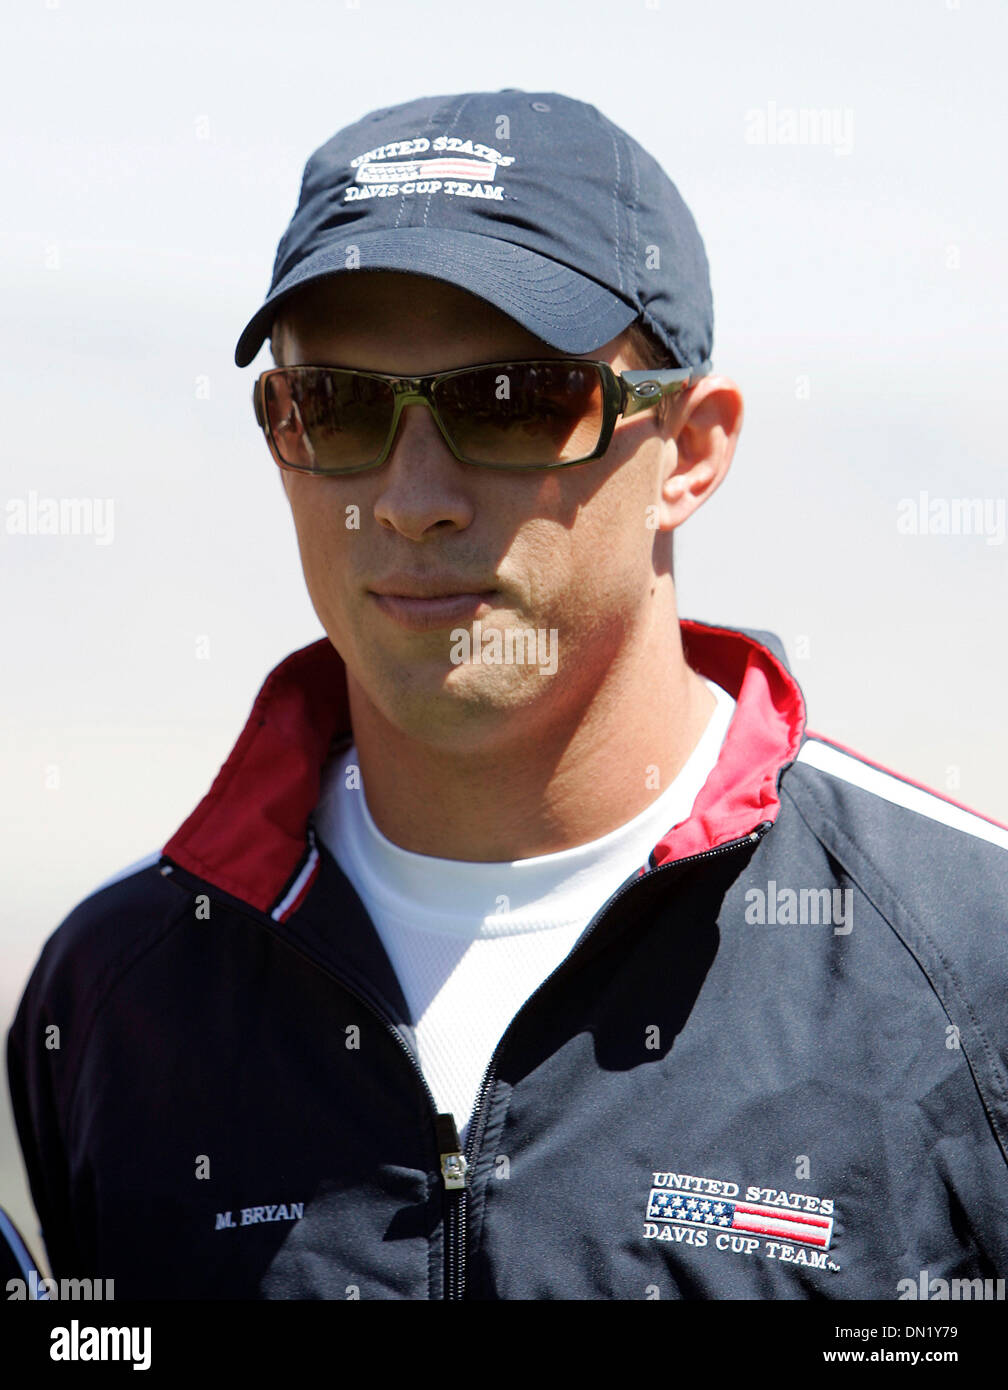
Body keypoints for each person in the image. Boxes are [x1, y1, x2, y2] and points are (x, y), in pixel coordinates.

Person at [7, 89, 1008, 1302]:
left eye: (517, 401)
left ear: (690, 450)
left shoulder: (969, 955)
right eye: (339, 406)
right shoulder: (121, 992)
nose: (414, 494)